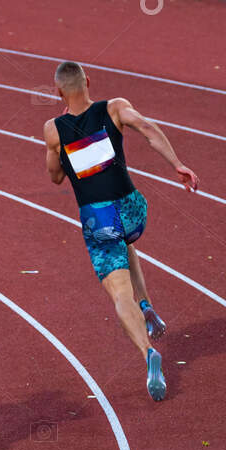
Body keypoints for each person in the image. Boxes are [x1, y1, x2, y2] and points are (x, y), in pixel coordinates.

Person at [43, 63, 197, 401]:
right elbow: (146, 127)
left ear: (58, 92)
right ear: (88, 82)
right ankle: (146, 305)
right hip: (132, 209)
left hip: (98, 218)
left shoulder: (54, 130)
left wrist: (63, 154)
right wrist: (177, 164)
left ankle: (147, 353)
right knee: (125, 240)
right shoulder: (114, 108)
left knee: (118, 292)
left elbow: (55, 176)